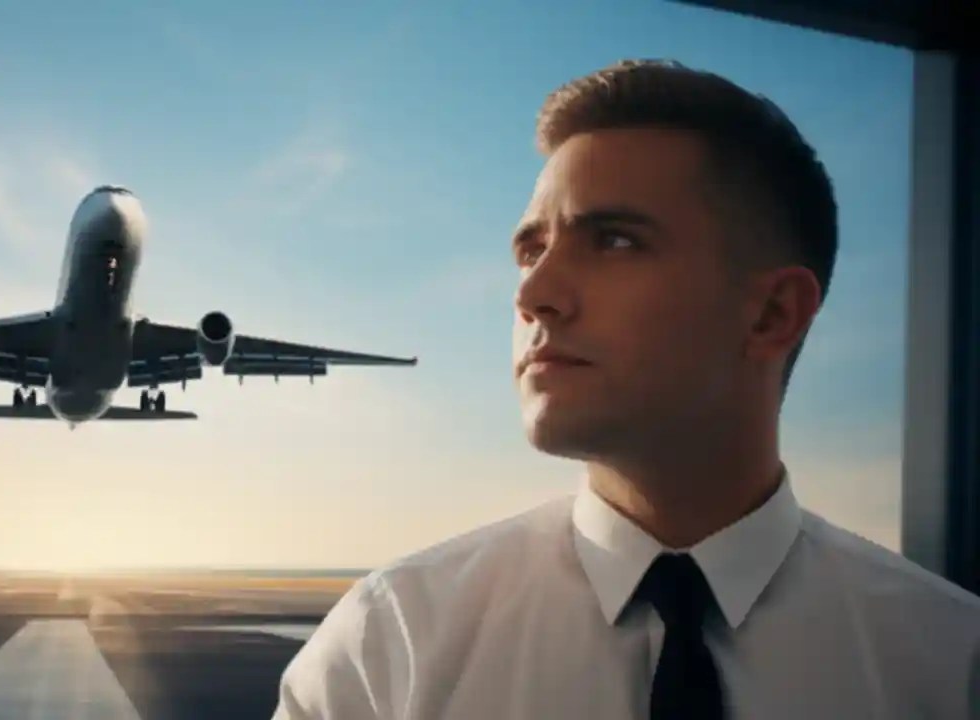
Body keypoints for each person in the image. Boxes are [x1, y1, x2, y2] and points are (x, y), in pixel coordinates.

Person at [272, 59, 980, 719]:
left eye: (613, 241)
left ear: (772, 314)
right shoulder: (386, 650)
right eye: (530, 250)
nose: (534, 291)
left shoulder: (952, 666)